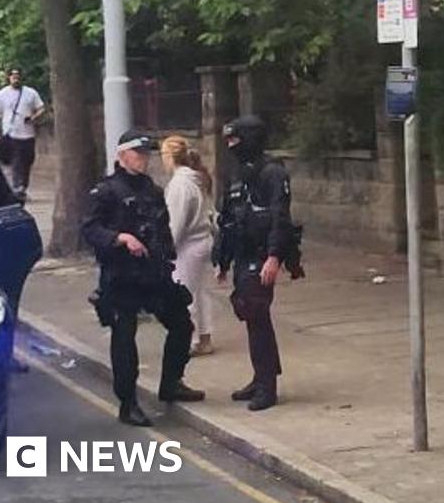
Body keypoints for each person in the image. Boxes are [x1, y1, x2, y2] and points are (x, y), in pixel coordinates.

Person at [81, 130, 206, 426]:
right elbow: (89, 229)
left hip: (153, 273)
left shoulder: (151, 188)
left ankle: (171, 383)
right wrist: (120, 237)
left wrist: (167, 256)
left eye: (146, 155)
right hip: (122, 276)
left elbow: (163, 227)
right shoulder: (106, 191)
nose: (144, 160)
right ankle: (128, 403)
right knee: (125, 338)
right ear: (122, 156)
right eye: (138, 154)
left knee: (182, 324)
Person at [214, 115, 304, 412]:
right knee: (249, 313)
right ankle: (260, 376)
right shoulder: (238, 173)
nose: (230, 146)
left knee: (257, 313)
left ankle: (267, 386)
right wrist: (222, 260)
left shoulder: (272, 172)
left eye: (235, 140)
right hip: (242, 253)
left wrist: (275, 257)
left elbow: (281, 217)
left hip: (263, 254)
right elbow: (228, 217)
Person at [161, 136, 217, 357]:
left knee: (184, 294)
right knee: (201, 293)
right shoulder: (195, 179)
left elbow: (176, 222)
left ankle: (190, 340)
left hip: (188, 245)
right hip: (202, 240)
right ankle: (204, 337)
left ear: (170, 157)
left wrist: (166, 249)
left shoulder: (180, 184)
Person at [0, 68, 45, 200]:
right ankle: (17, 188)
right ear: (8, 78)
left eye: (18, 76)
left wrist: (34, 117)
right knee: (16, 162)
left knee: (27, 161)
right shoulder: (1, 94)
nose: (16, 79)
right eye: (13, 76)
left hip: (28, 134)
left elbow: (41, 108)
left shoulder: (30, 93)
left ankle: (22, 187)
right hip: (11, 133)